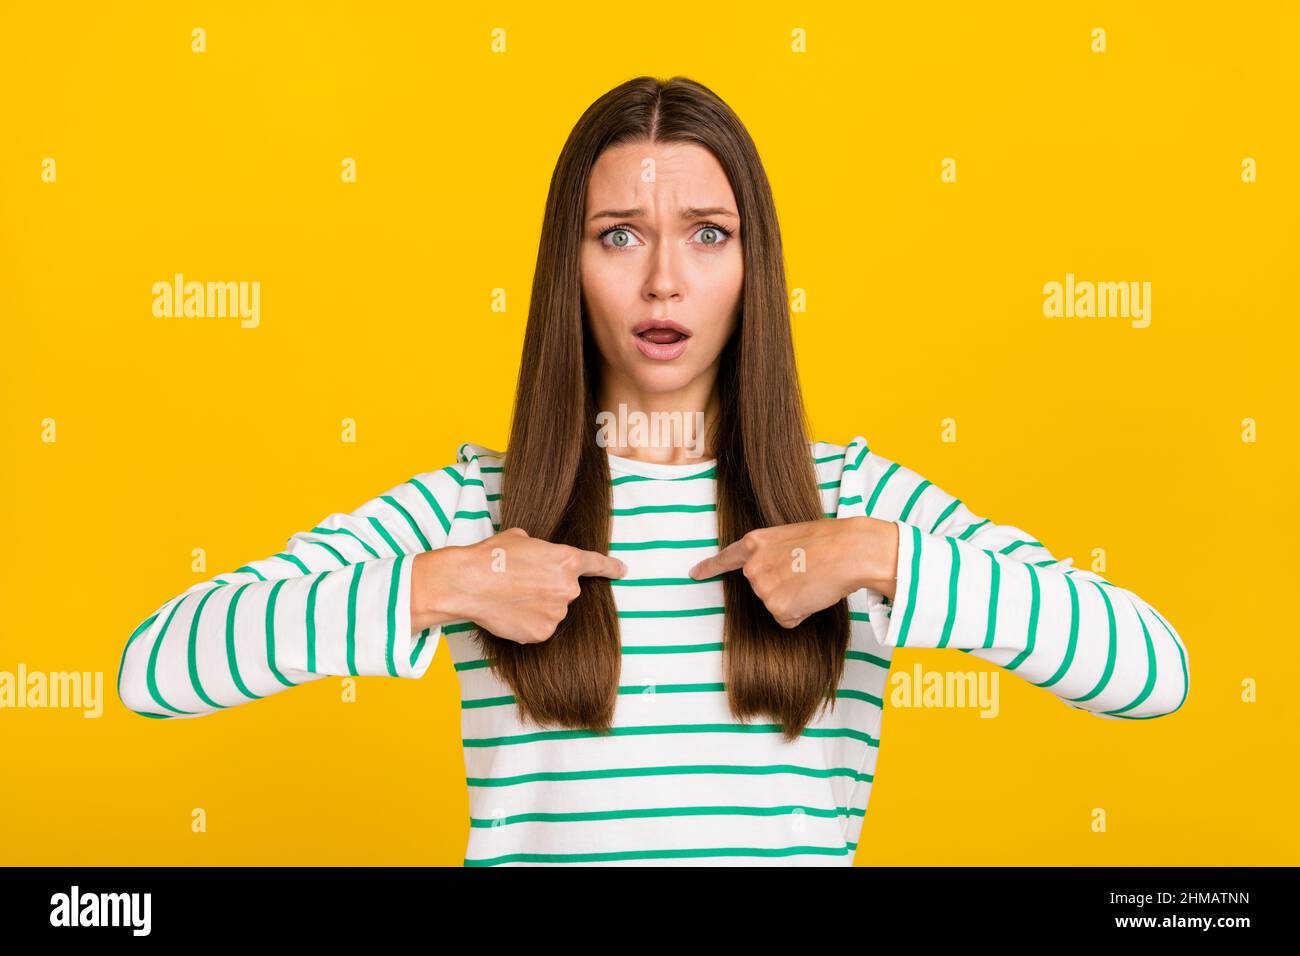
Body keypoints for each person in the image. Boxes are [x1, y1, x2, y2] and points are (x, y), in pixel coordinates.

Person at [118, 75, 1189, 866]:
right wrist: (436, 583)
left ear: (751, 262)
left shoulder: (851, 503)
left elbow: (1152, 671)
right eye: (620, 235)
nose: (665, 279)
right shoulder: (472, 512)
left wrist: (880, 553)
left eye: (708, 234)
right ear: (569, 268)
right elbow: (153, 670)